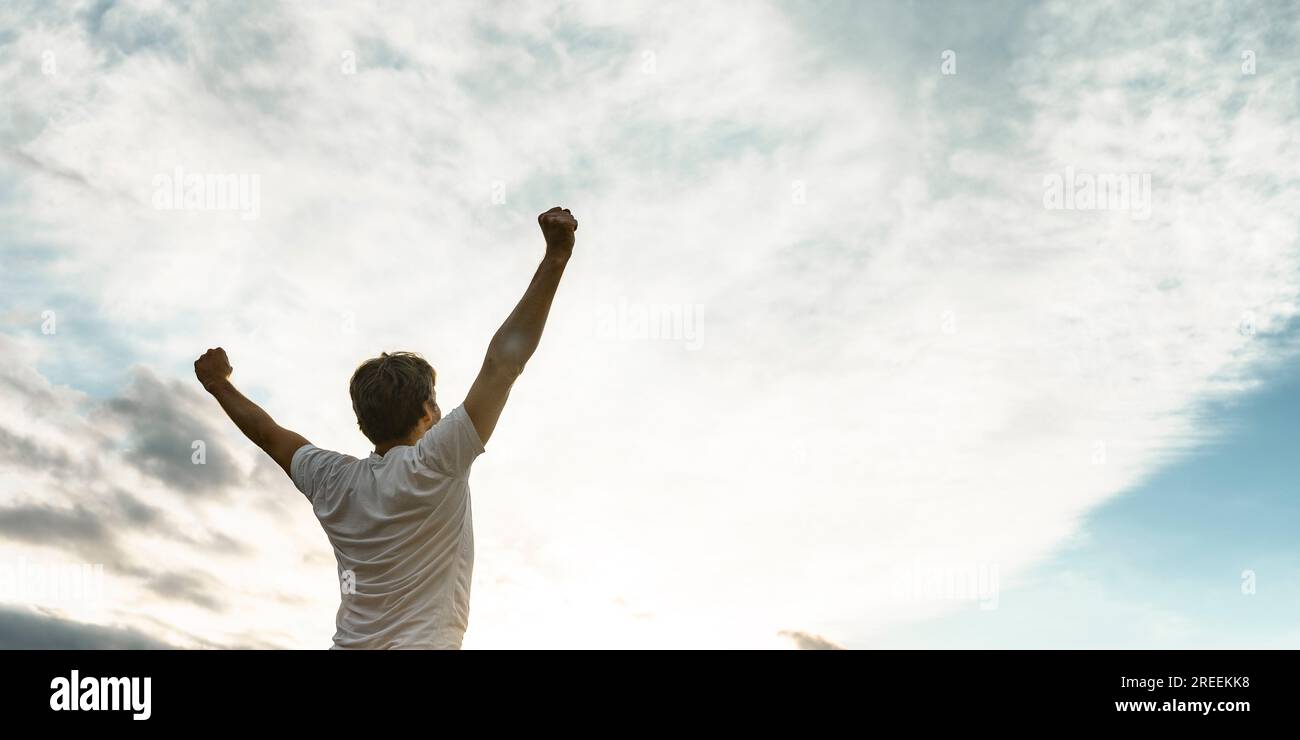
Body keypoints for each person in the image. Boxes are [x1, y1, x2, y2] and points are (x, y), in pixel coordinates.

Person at [193, 206, 578, 648]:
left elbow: (267, 433)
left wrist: (218, 385)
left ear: (362, 421)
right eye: (435, 399)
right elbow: (502, 365)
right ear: (428, 411)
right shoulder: (439, 460)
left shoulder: (332, 479)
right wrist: (555, 259)